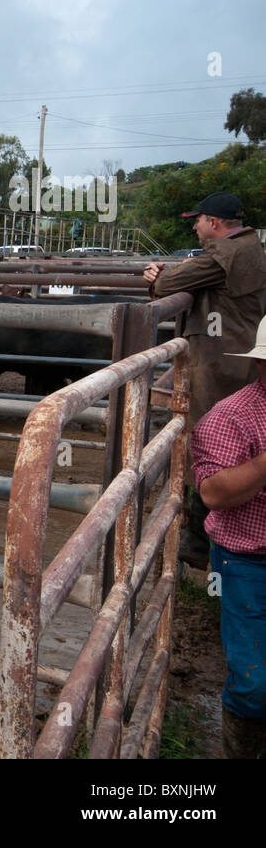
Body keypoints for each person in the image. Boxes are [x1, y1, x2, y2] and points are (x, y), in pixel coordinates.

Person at [143, 192, 266, 566]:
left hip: (224, 367)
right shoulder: (251, 249)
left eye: (197, 220)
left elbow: (166, 286)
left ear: (214, 222)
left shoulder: (225, 254)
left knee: (209, 441)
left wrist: (156, 278)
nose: (194, 226)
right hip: (240, 362)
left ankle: (200, 542)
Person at [190, 316, 266, 758]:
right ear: (261, 367)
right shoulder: (230, 417)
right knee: (256, 683)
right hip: (247, 563)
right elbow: (213, 493)